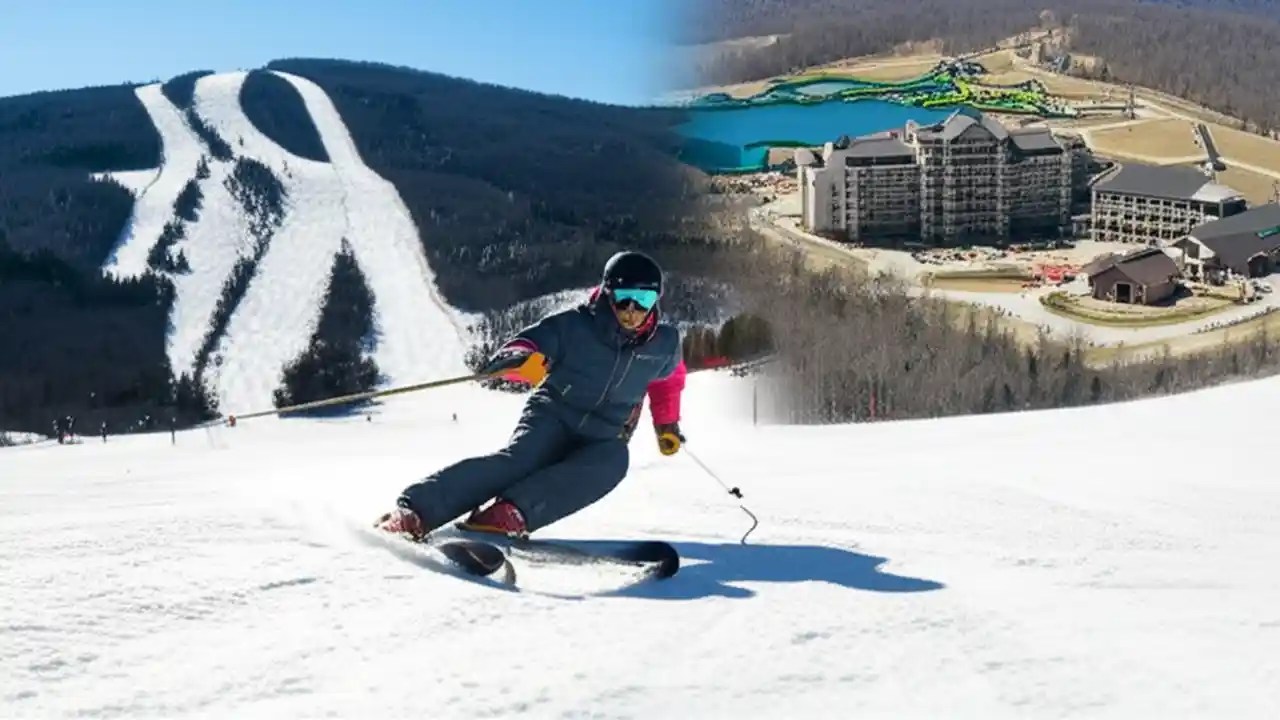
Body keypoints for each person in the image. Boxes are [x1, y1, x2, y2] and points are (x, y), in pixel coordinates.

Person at [377, 250, 688, 540]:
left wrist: (666, 426)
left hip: (603, 434)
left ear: (655, 300)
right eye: (623, 298)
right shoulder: (576, 326)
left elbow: (667, 380)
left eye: (643, 298)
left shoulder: (664, 343)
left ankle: (511, 514)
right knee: (521, 461)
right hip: (553, 416)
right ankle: (415, 512)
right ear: (608, 292)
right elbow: (523, 345)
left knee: (614, 462)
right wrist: (522, 361)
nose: (631, 309)